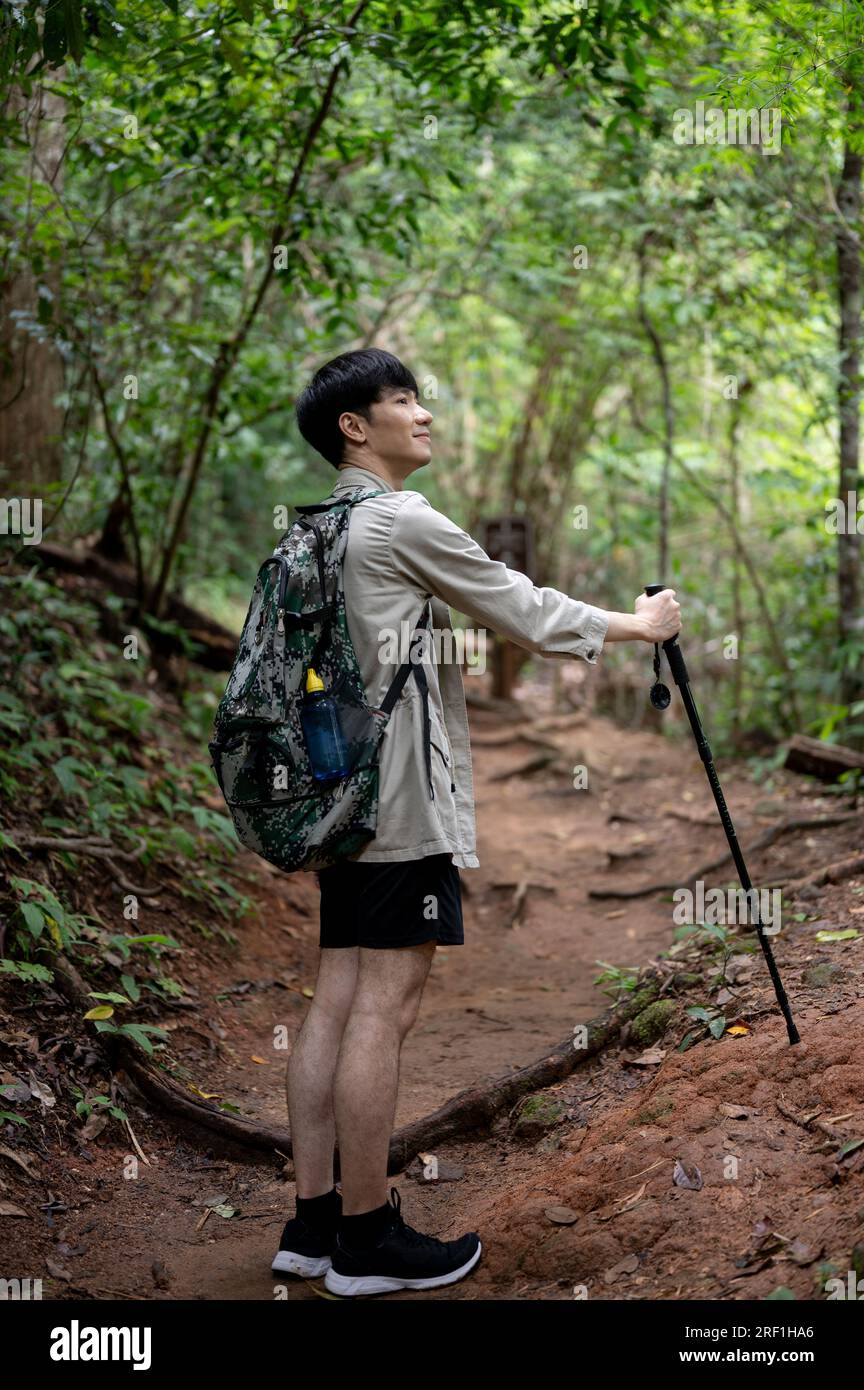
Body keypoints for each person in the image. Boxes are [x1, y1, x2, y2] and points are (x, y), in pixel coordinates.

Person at [272, 348, 682, 1297]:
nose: (424, 414)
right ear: (354, 427)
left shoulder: (313, 532)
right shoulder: (398, 520)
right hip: (399, 801)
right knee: (387, 1004)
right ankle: (369, 1242)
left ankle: (312, 1222)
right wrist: (636, 625)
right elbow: (521, 608)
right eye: (404, 400)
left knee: (335, 995)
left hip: (332, 795)